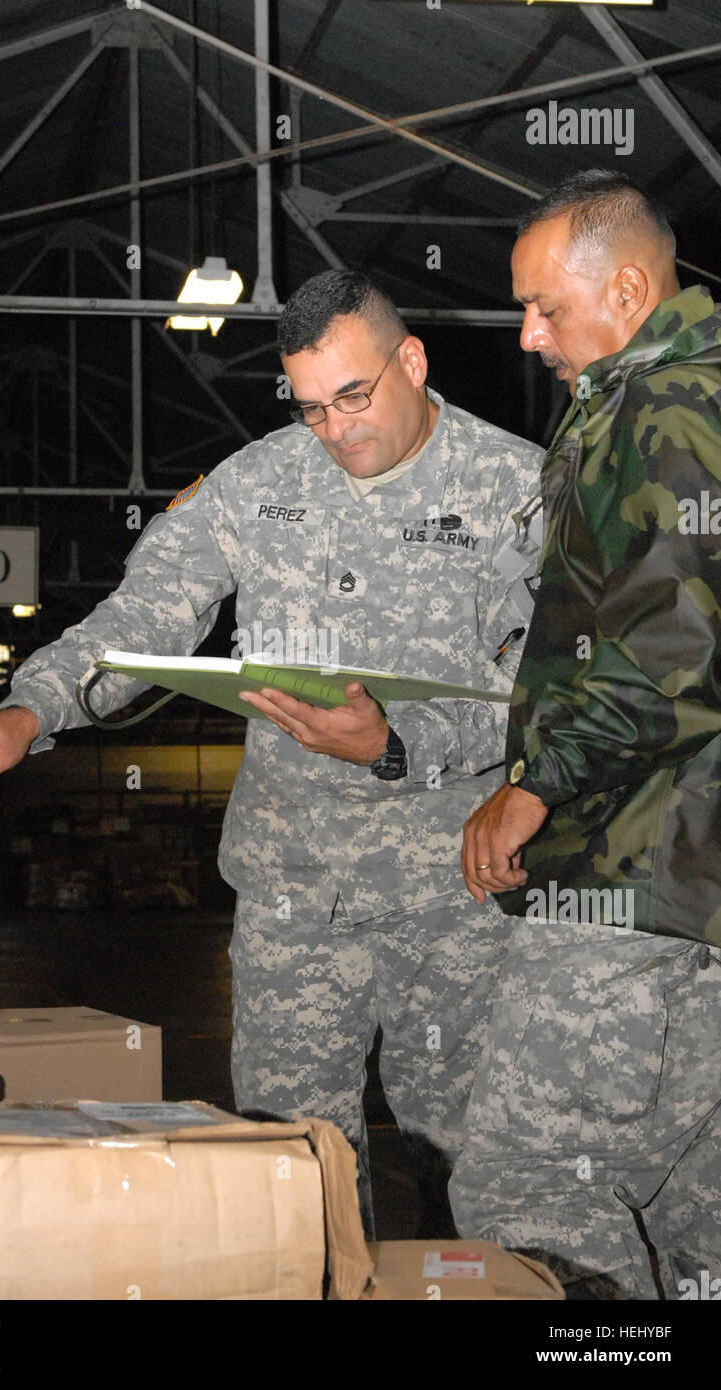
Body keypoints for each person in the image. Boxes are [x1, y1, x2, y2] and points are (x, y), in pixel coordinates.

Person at [0, 270, 542, 1237]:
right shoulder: (258, 484)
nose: (332, 431)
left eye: (353, 397)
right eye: (308, 408)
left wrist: (399, 743)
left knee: (476, 1152)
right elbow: (144, 615)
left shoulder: (520, 492)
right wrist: (30, 710)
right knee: (291, 1162)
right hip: (292, 891)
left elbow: (566, 691)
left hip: (450, 892)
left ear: (410, 361)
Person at [455, 170, 721, 1298]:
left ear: (624, 286)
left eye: (542, 308)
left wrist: (535, 784)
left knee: (526, 1181)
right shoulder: (641, 401)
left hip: (636, 861)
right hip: (683, 883)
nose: (525, 336)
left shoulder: (674, 411)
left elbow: (673, 647)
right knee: (686, 1210)